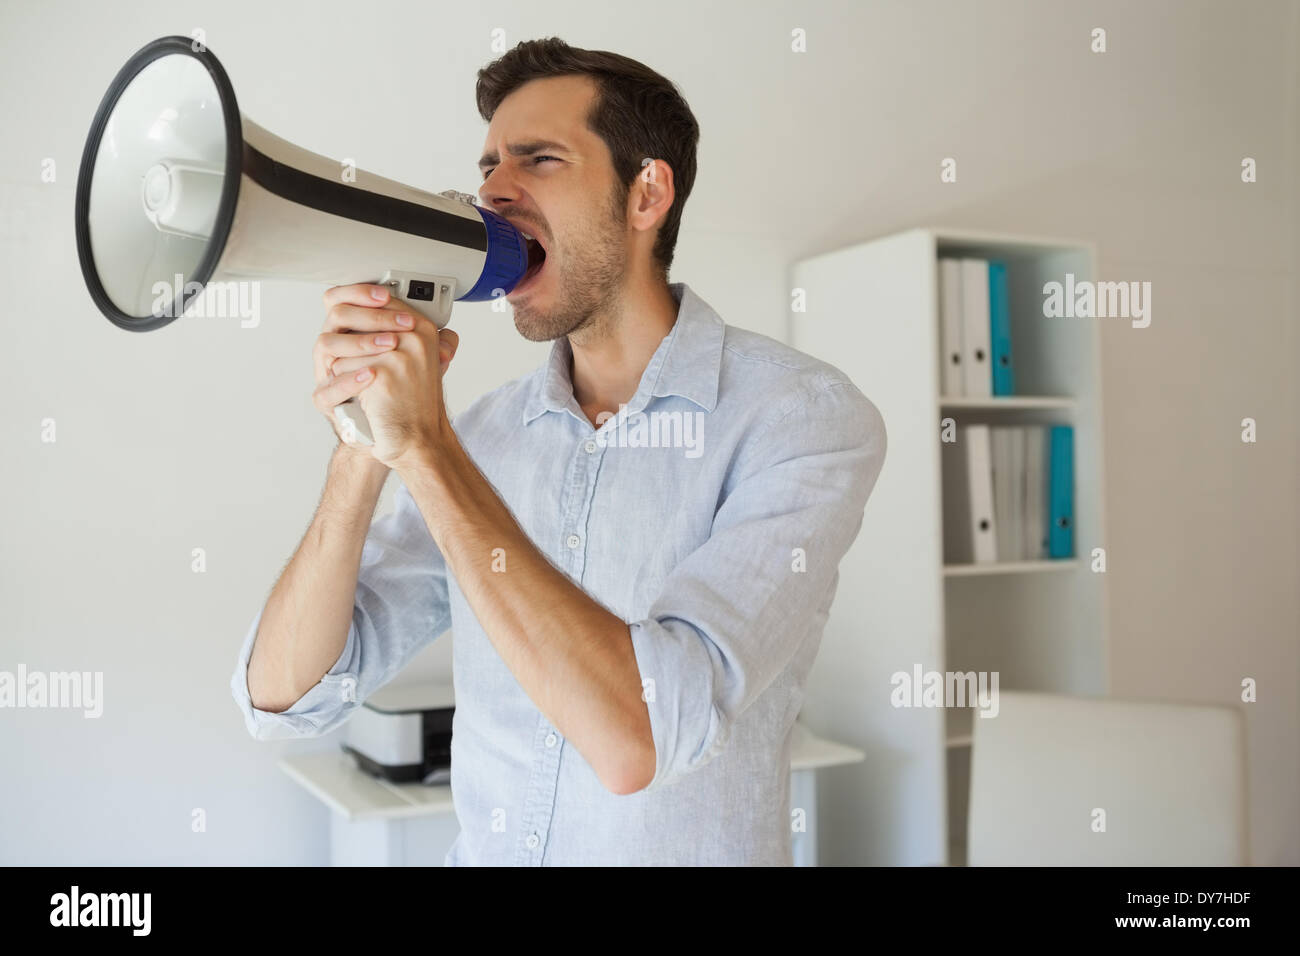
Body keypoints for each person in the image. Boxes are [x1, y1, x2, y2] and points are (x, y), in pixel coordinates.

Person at [230, 36, 886, 866]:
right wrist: (365, 444)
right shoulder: (481, 438)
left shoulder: (803, 419)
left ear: (647, 193)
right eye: (488, 168)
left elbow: (637, 740)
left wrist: (427, 451)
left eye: (540, 159)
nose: (493, 195)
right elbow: (281, 697)